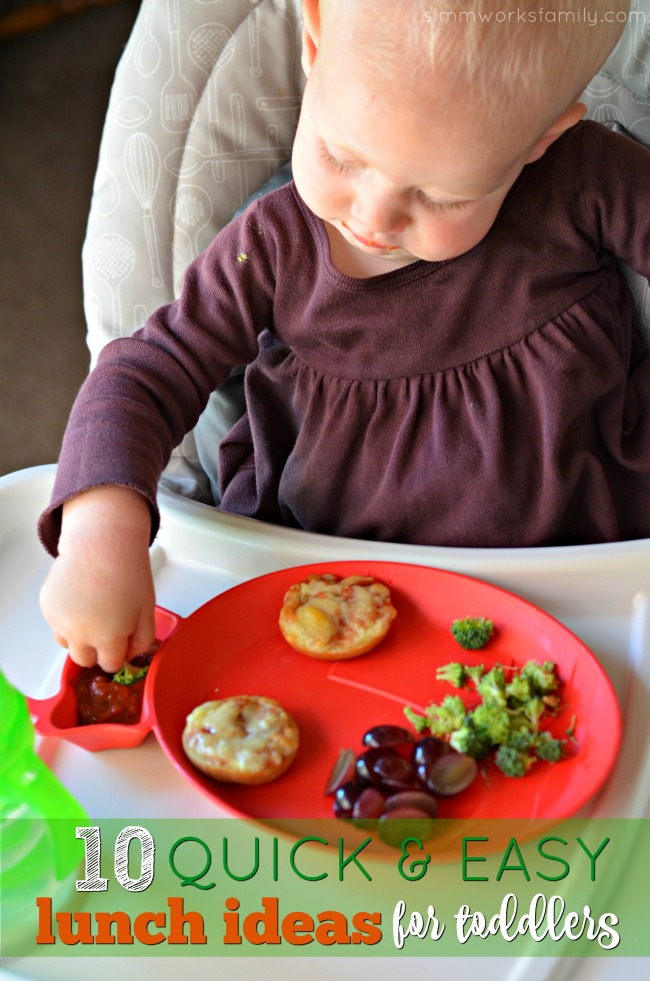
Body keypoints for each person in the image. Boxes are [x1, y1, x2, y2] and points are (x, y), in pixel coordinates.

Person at [39, 0, 649, 672]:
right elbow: (148, 371)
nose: (375, 215)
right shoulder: (270, 249)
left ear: (543, 137)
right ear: (314, 42)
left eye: (443, 195)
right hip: (324, 604)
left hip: (594, 582)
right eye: (342, 154)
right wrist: (100, 529)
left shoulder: (586, 176)